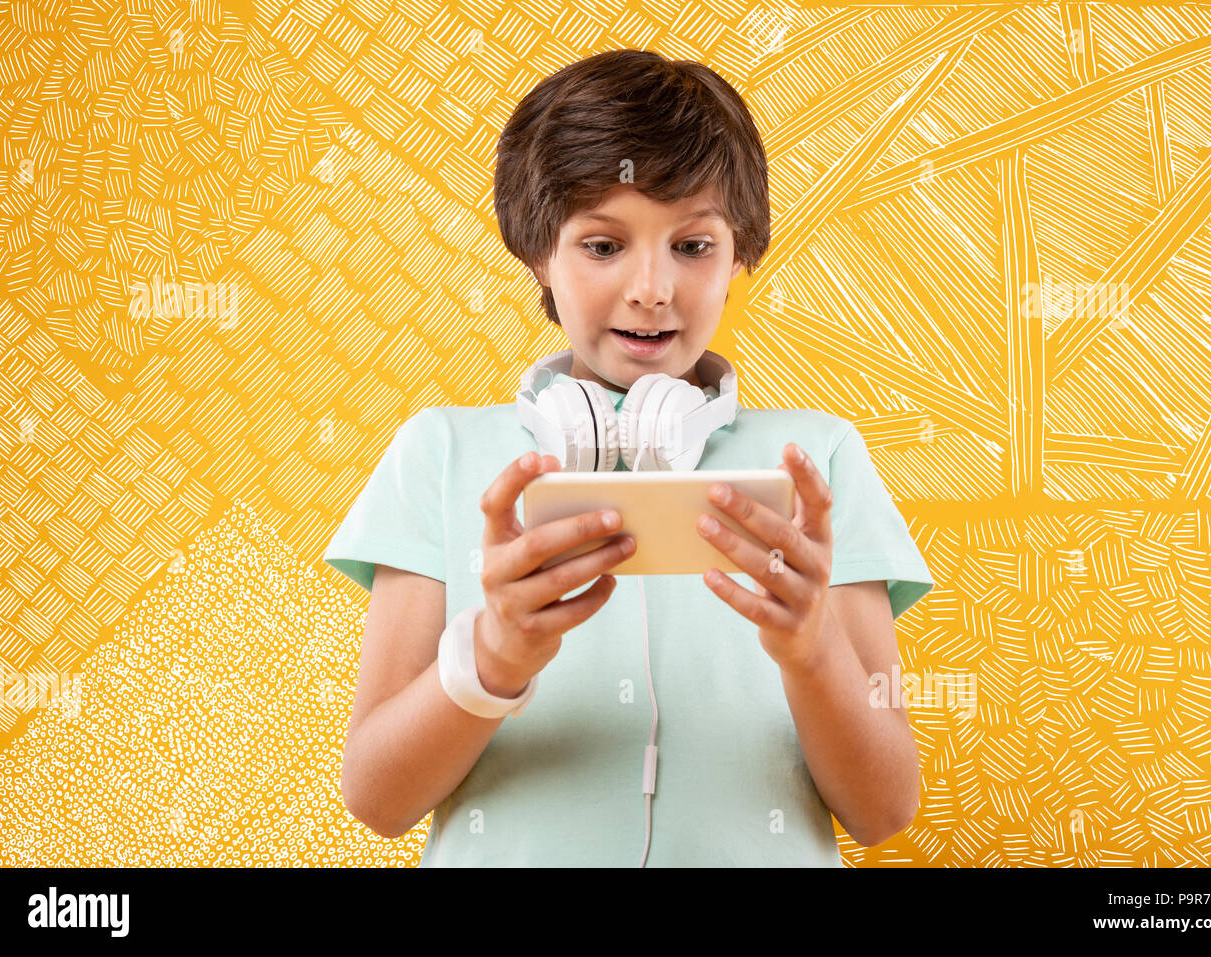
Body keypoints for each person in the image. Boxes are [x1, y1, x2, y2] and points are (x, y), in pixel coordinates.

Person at [324, 49, 936, 867]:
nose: (653, 288)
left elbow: (885, 805)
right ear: (539, 253)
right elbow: (376, 795)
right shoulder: (438, 453)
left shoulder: (816, 459)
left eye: (693, 246)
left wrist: (812, 647)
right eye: (604, 246)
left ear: (739, 254)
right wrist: (492, 659)